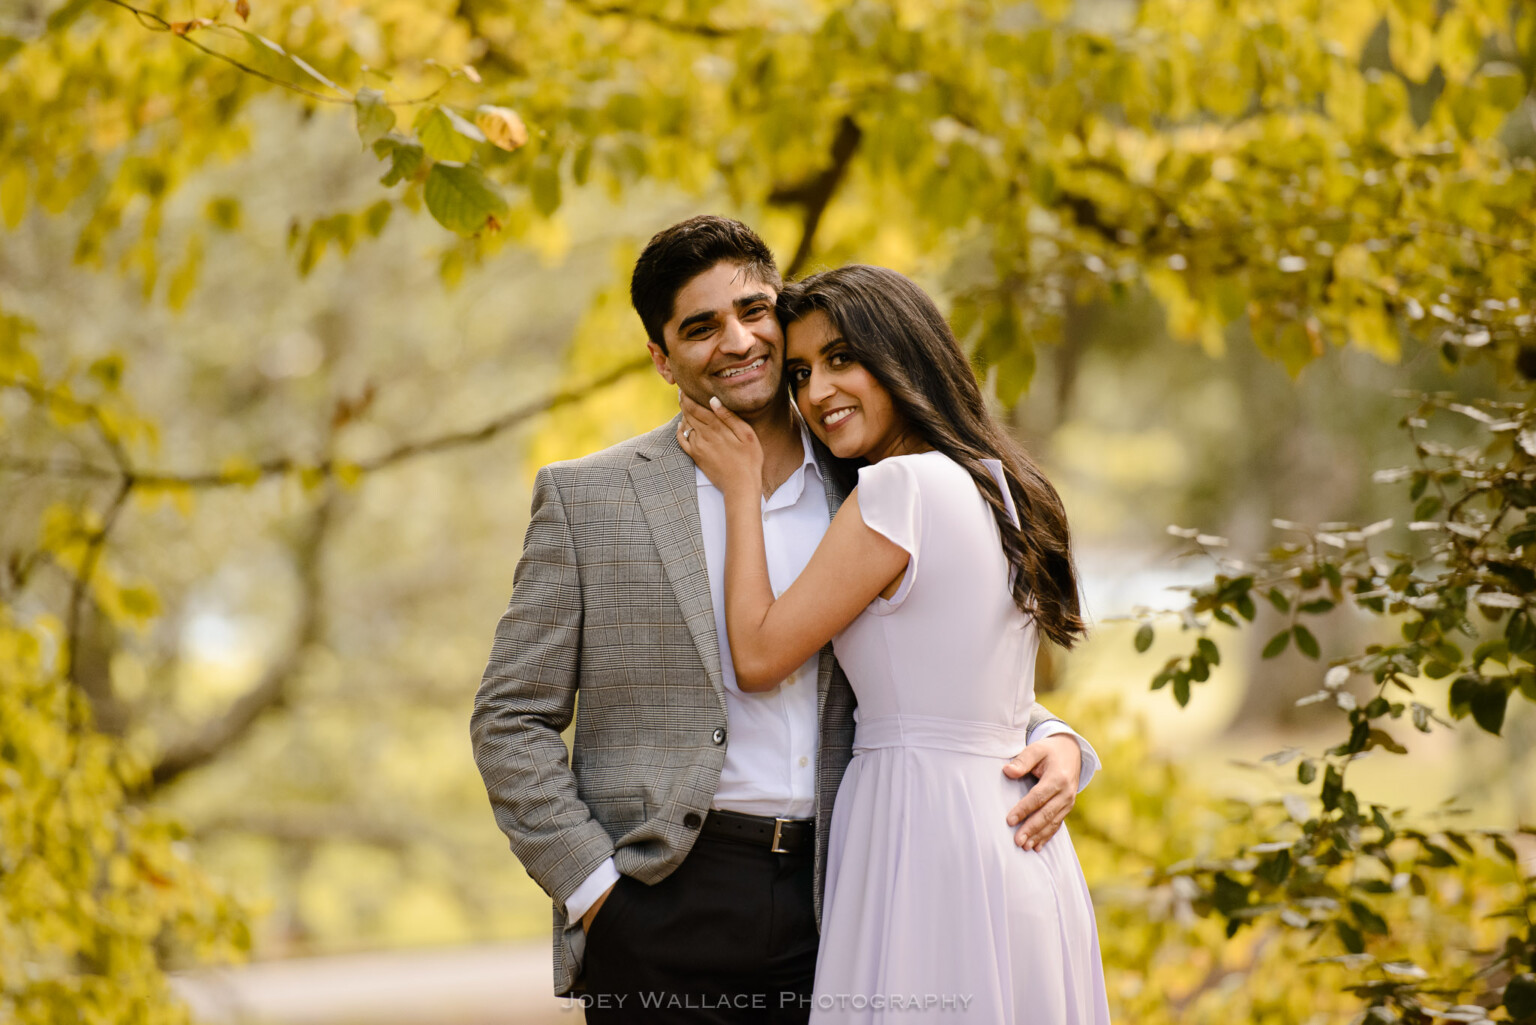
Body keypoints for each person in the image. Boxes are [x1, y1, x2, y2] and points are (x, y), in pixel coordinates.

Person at [470, 217, 1099, 1021]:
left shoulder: (867, 476)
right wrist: (597, 894)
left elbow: (936, 663)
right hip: (667, 899)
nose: (737, 340)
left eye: (753, 309)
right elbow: (509, 717)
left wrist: (1054, 740)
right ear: (663, 358)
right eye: (700, 327)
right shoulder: (590, 499)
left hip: (848, 890)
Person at [676, 263, 1111, 1023]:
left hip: (922, 834)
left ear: (904, 354)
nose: (816, 393)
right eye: (803, 371)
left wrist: (742, 489)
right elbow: (974, 679)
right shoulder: (1002, 482)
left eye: (844, 358)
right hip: (1013, 838)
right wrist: (1064, 737)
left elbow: (759, 654)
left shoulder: (896, 490)